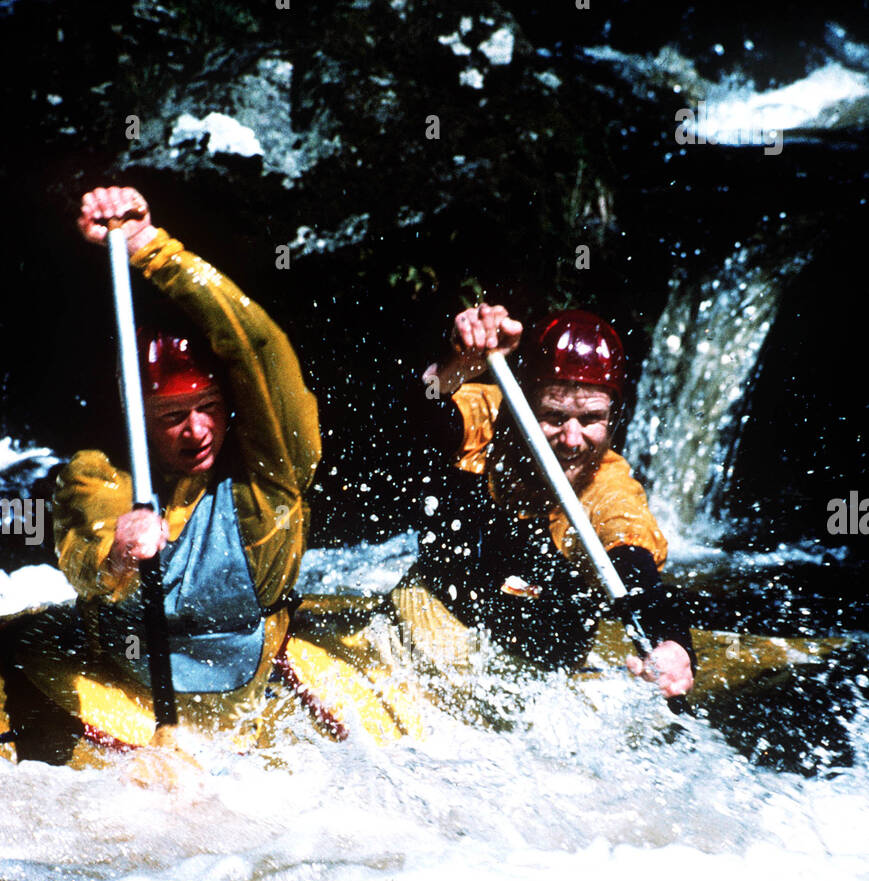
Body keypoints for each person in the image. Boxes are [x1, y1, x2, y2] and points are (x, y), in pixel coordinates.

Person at [1, 185, 321, 759]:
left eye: (209, 409)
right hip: (125, 684)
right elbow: (84, 557)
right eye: (173, 417)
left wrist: (150, 247)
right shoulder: (97, 474)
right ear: (137, 420)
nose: (197, 430)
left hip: (251, 686)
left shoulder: (270, 474)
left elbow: (258, 347)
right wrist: (120, 552)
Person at [392, 302, 694, 698]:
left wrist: (672, 643)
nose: (571, 439)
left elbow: (635, 569)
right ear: (523, 408)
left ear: (613, 420)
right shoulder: (490, 417)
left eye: (590, 420)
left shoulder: (608, 488)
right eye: (553, 417)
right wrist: (457, 364)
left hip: (527, 689)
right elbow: (414, 412)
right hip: (411, 636)